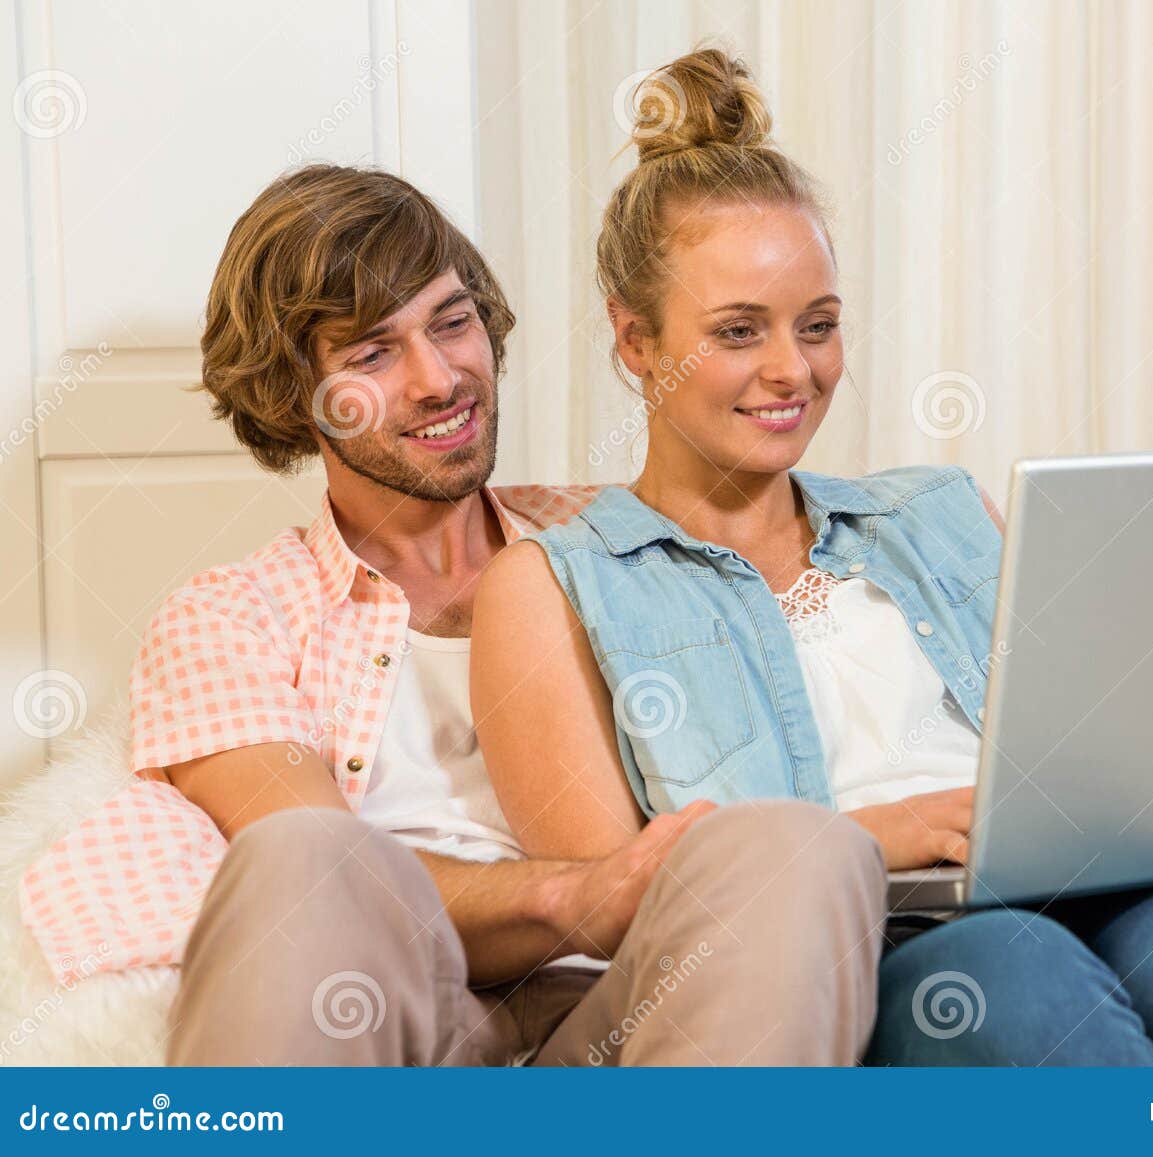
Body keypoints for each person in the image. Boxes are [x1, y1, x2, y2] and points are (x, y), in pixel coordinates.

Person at [471, 47, 1153, 1066]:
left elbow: (1103, 731)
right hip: (893, 941)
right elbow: (619, 906)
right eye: (738, 331)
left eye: (819, 325)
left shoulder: (938, 508)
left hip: (1101, 877)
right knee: (1020, 977)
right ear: (635, 340)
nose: (791, 369)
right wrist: (875, 836)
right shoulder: (555, 583)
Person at [22, 164, 889, 1066]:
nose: (440, 380)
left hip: (633, 1016)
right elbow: (318, 885)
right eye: (372, 354)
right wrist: (582, 894)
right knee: (307, 857)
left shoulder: (621, 540)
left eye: (452, 322)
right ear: (292, 395)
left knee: (789, 846)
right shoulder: (229, 619)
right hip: (396, 1026)